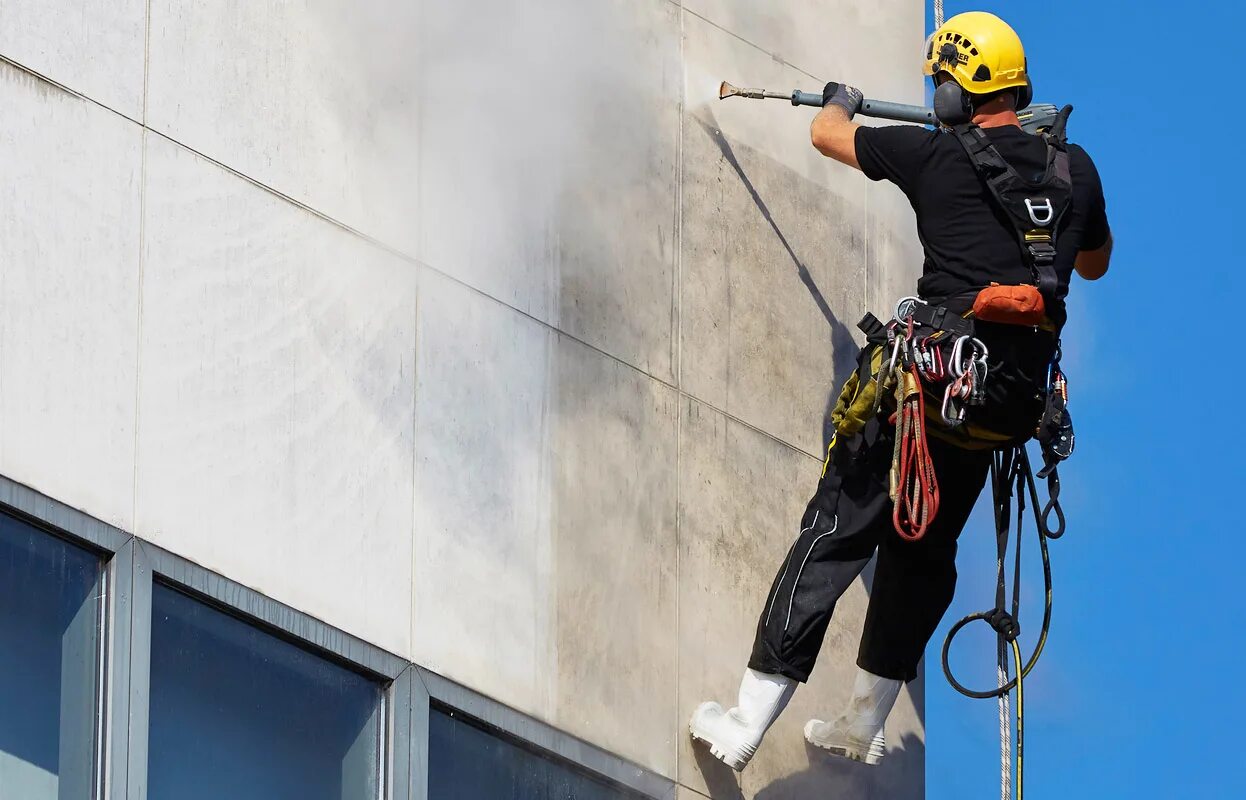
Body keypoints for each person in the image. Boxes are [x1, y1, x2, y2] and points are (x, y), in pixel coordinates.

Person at [690, 11, 1111, 771]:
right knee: (922, 556)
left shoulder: (933, 157)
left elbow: (826, 135)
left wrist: (839, 97)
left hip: (927, 391)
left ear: (954, 89)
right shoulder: (1073, 169)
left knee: (836, 534)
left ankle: (745, 722)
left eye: (937, 82)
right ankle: (861, 719)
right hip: (996, 411)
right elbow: (1094, 263)